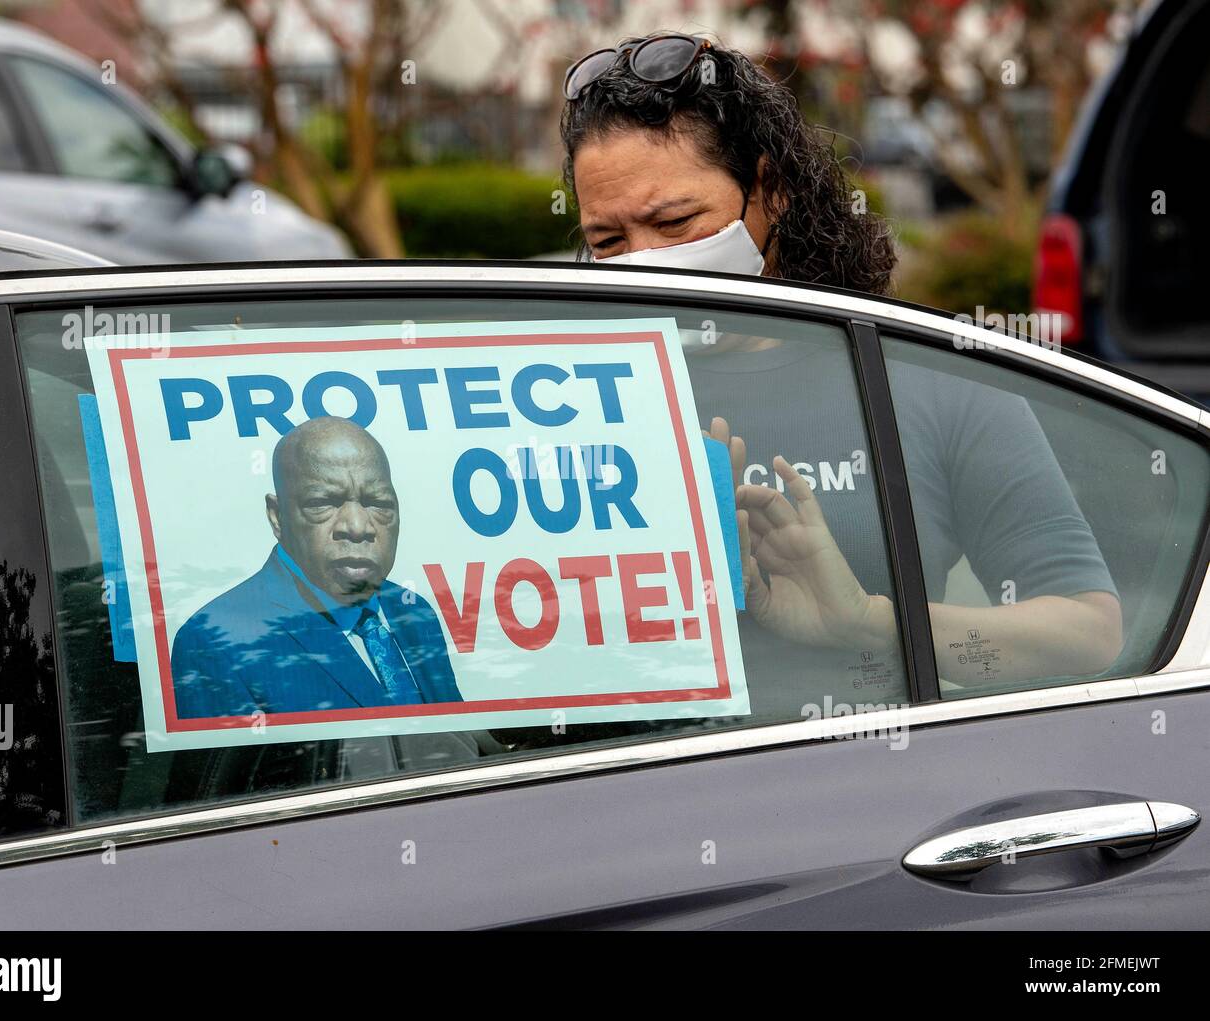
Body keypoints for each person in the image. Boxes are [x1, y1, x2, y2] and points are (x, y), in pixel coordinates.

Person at [560, 34, 1122, 712]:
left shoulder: (924, 374)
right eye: (609, 242)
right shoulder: (556, 399)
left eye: (676, 222)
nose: (644, 262)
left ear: (771, 191)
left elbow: (1091, 634)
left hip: (870, 798)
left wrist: (870, 622)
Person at [171, 416, 462, 719]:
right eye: (324, 502)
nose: (358, 526)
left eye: (378, 503)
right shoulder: (216, 642)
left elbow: (459, 740)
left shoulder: (413, 612)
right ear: (277, 516)